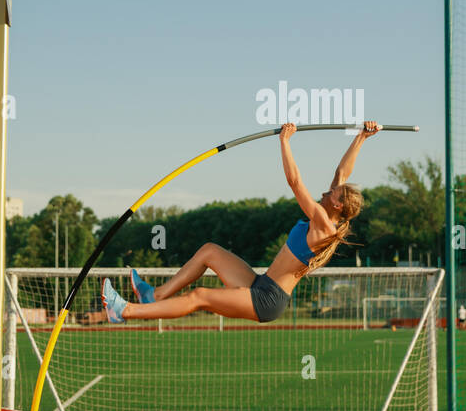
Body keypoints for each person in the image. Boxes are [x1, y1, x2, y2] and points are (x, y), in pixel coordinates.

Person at [102, 121, 379, 324]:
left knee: (199, 296)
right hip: (261, 283)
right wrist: (362, 138)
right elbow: (342, 172)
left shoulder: (323, 224)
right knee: (209, 251)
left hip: (268, 300)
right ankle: (154, 295)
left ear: (338, 205)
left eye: (332, 193)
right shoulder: (329, 212)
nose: (326, 191)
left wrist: (285, 141)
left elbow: (295, 182)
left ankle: (124, 311)